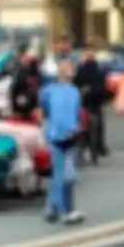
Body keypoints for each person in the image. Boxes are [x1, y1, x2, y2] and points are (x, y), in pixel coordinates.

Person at [38, 60, 84, 224]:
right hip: (58, 136)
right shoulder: (50, 91)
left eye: (72, 68)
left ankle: (54, 208)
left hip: (68, 136)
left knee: (64, 175)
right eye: (68, 68)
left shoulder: (74, 91)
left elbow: (76, 113)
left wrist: (76, 129)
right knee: (63, 175)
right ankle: (65, 210)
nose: (71, 71)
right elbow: (45, 110)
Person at [74, 45, 109, 163]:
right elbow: (76, 85)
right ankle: (84, 151)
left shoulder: (99, 69)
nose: (89, 54)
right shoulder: (80, 69)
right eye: (87, 52)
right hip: (83, 104)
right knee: (83, 130)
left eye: (91, 51)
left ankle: (95, 152)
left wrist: (92, 90)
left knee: (95, 129)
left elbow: (102, 87)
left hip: (94, 104)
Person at [10, 54, 44, 120]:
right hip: (24, 101)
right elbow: (14, 89)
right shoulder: (21, 73)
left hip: (30, 102)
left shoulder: (37, 73)